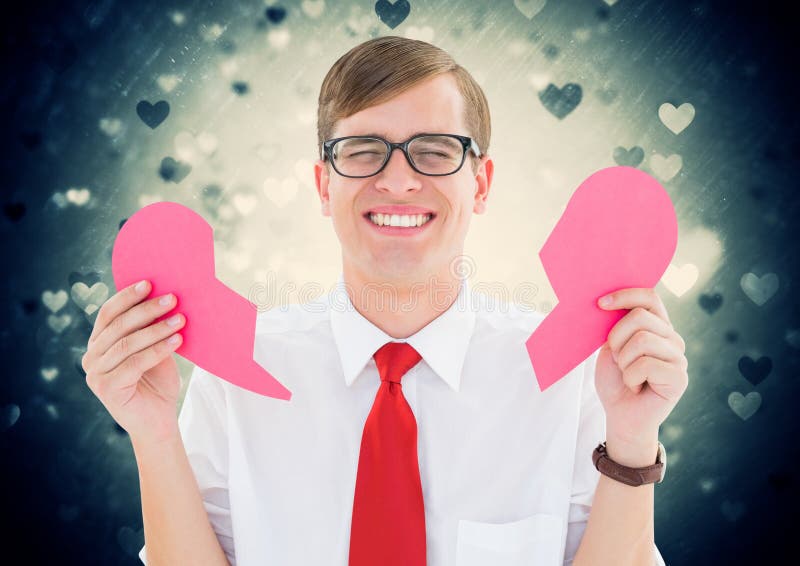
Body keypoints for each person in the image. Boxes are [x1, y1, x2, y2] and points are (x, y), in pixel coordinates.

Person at [83, 36, 687, 565]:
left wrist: (633, 438)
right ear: (324, 185)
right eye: (363, 150)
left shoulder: (575, 380)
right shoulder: (237, 376)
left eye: (436, 150)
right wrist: (152, 433)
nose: (398, 180)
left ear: (480, 184)